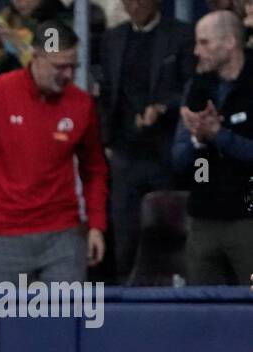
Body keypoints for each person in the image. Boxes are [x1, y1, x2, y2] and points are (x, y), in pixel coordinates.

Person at [0, 21, 107, 284]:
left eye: (73, 66)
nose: (68, 75)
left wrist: (96, 225)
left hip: (63, 238)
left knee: (63, 324)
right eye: (59, 66)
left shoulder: (81, 104)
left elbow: (94, 169)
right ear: (35, 57)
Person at [99, 0, 194, 280]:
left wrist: (163, 108)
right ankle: (124, 304)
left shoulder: (181, 35)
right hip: (125, 154)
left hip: (165, 152)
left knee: (169, 235)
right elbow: (106, 93)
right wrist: (106, 141)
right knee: (124, 237)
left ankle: (169, 301)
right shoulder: (112, 39)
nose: (137, 4)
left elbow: (192, 88)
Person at [172, 10, 253, 284]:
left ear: (230, 43)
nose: (196, 51)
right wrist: (198, 137)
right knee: (201, 312)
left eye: (204, 43)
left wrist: (219, 135)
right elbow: (178, 158)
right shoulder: (196, 86)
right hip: (202, 219)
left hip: (247, 219)